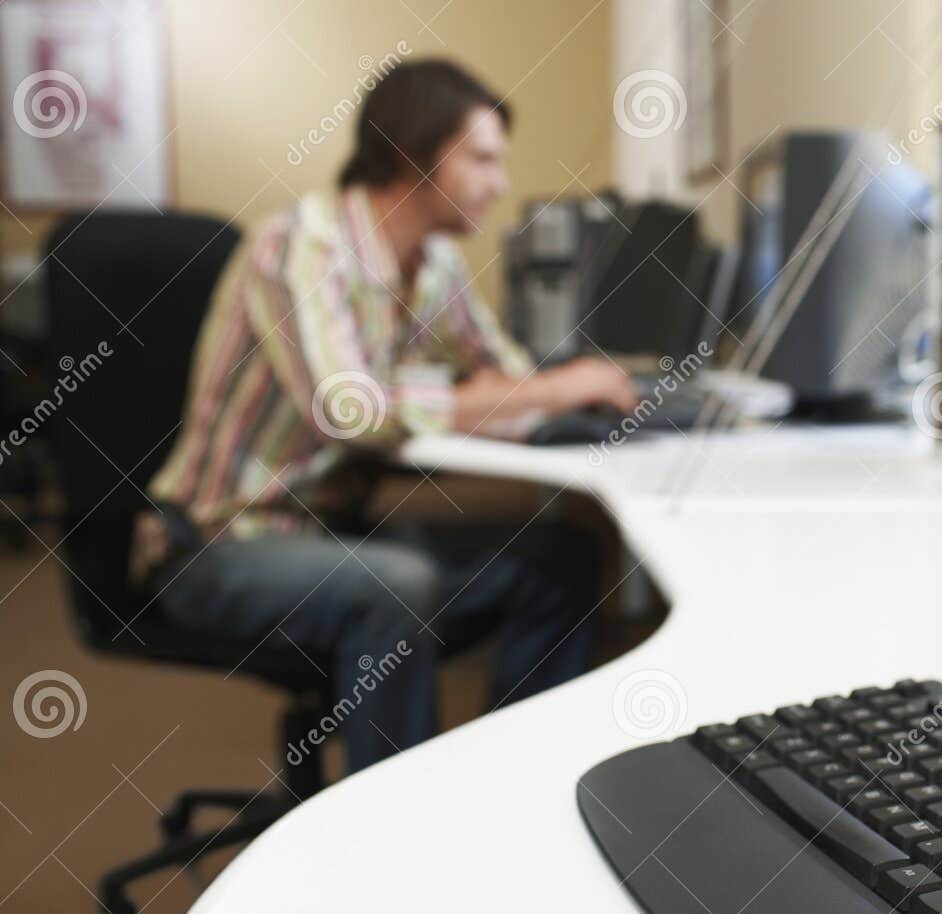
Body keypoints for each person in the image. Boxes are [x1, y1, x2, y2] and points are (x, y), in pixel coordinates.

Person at [140, 59, 638, 772]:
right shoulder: (302, 248)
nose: (499, 183)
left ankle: (513, 781)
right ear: (413, 154)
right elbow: (352, 412)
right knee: (395, 584)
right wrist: (552, 392)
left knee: (559, 559)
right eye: (482, 159)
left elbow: (498, 369)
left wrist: (554, 390)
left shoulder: (434, 265)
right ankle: (403, 838)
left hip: (331, 528)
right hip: (221, 541)